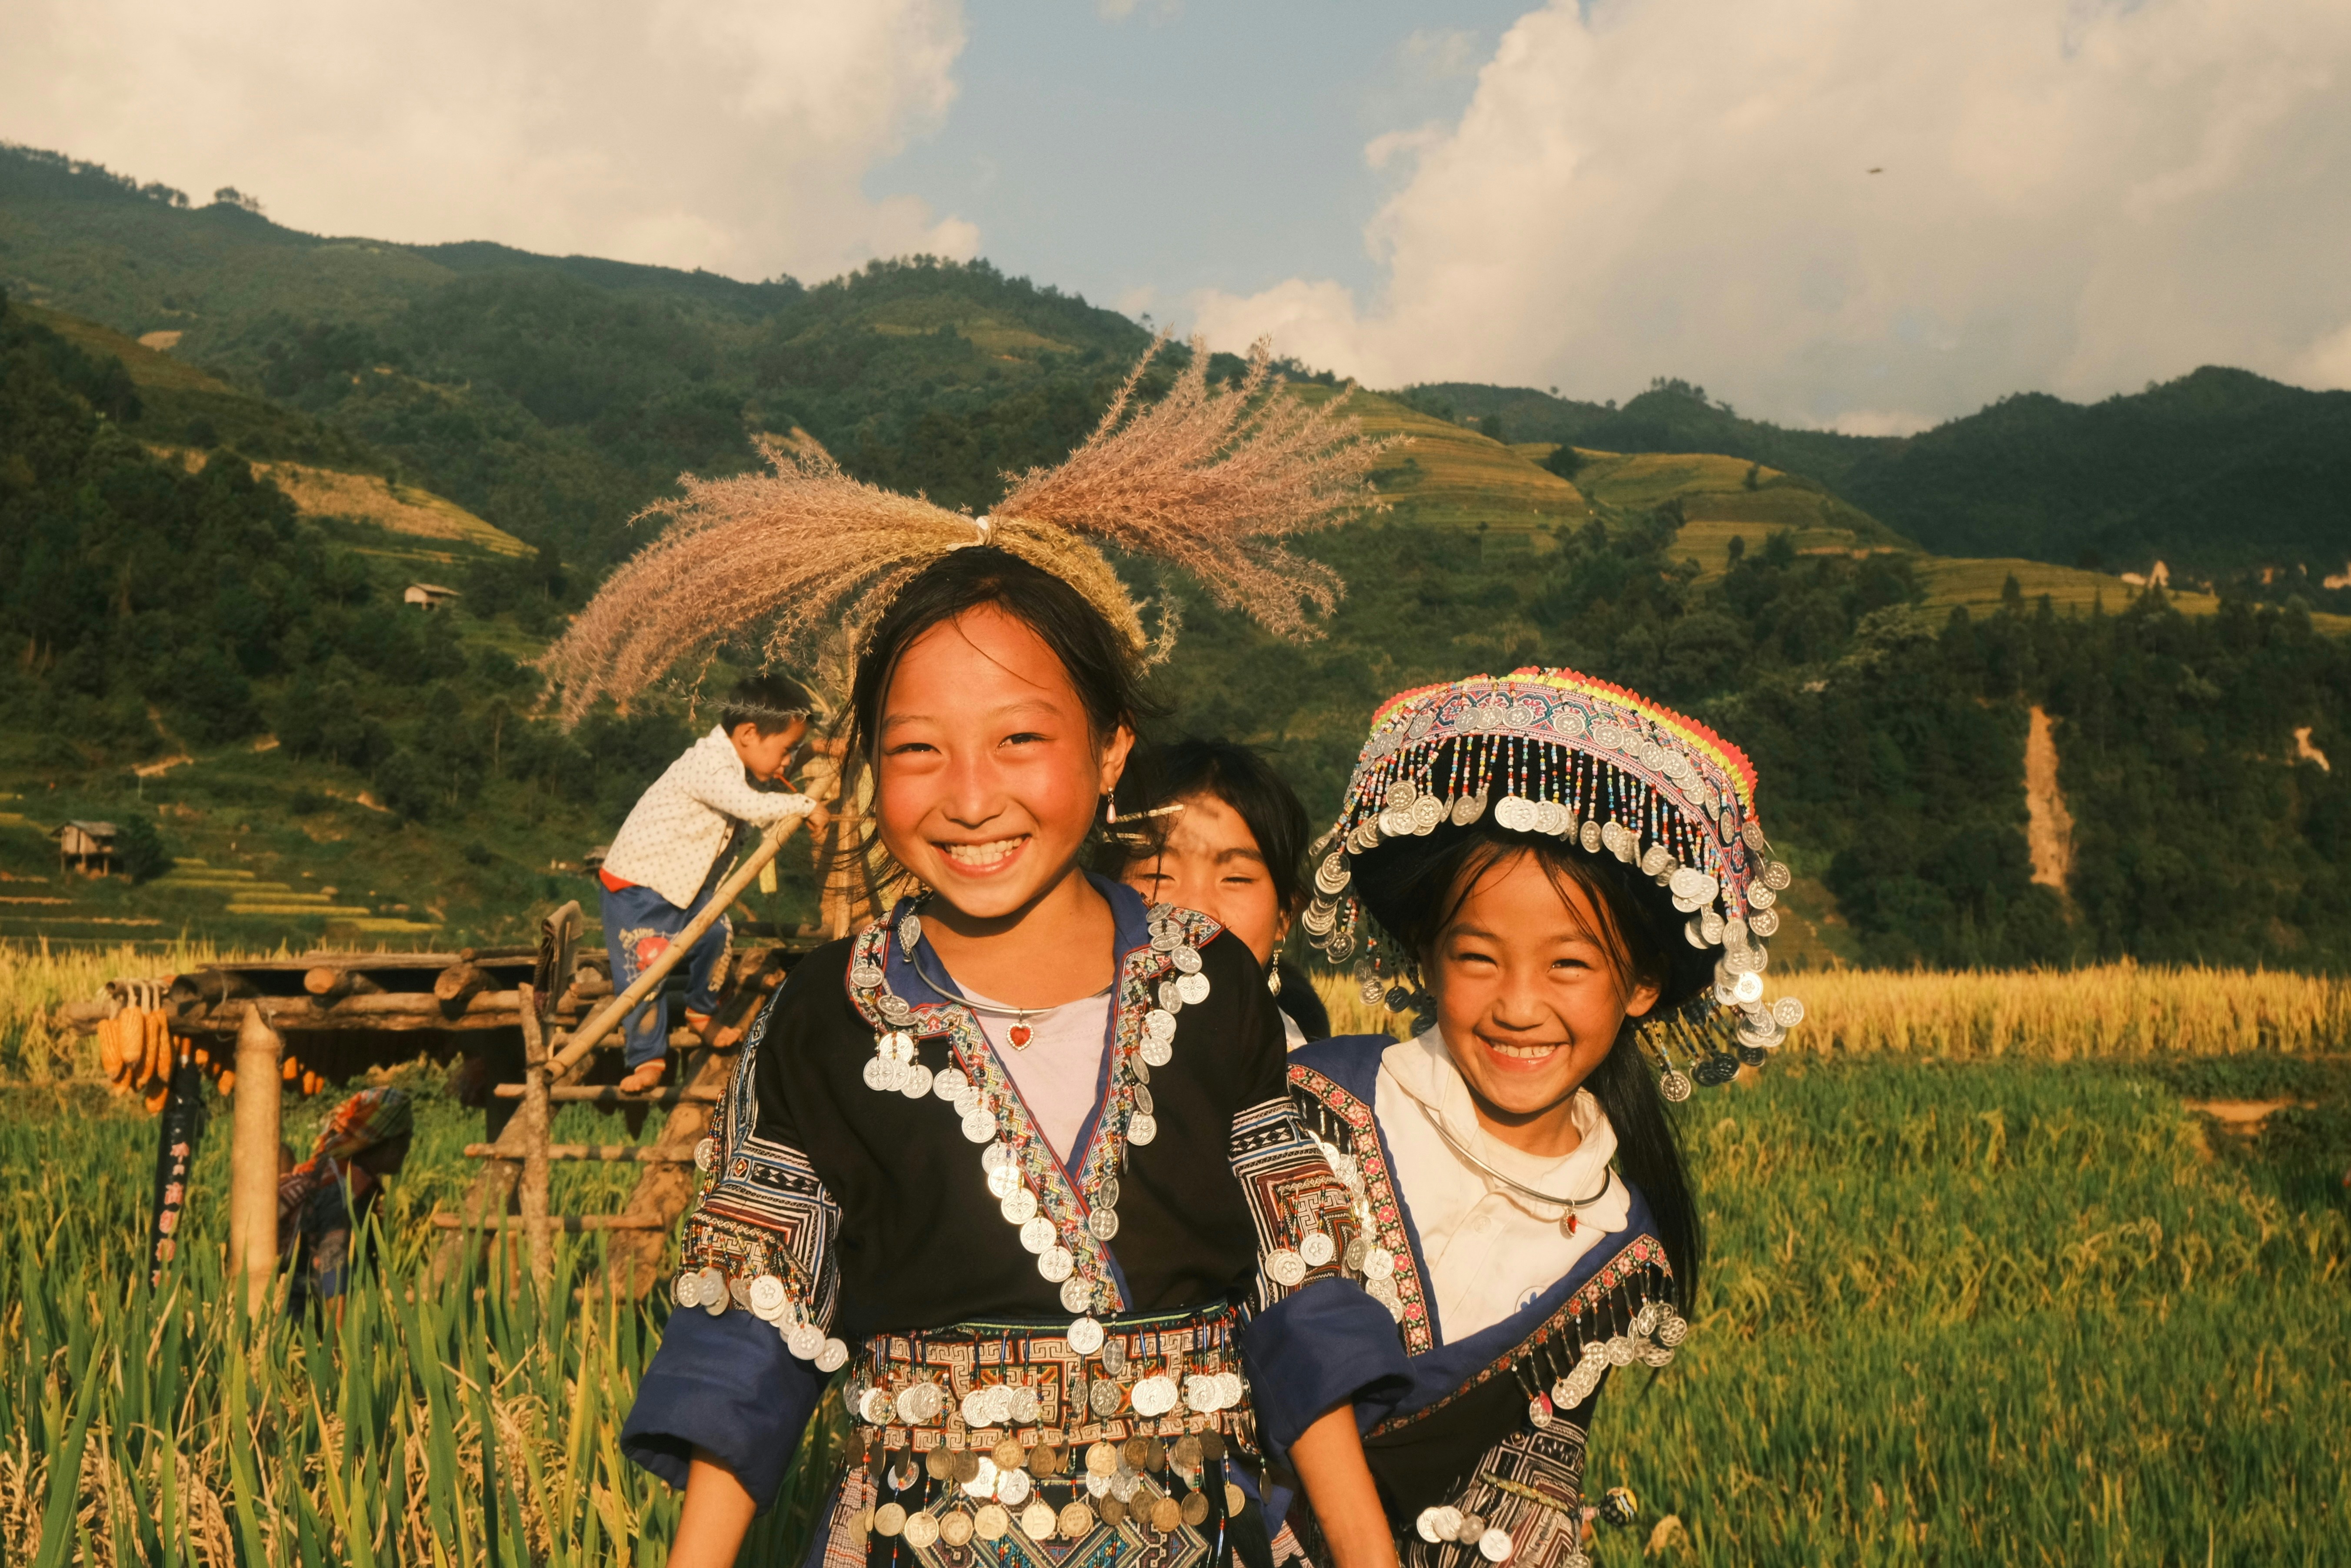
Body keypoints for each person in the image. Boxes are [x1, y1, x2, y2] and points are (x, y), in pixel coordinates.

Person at [543, 340, 1408, 1568]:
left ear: (1111, 754)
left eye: (1017, 739)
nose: (968, 796)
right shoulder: (825, 1015)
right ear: (867, 769)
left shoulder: (1211, 985)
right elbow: (752, 1325)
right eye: (915, 751)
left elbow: (1301, 1297)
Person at [1274, 666, 1805, 1568]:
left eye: (1568, 967)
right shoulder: (1317, 1105)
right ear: (1428, 960)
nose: (1519, 1007)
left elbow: (1531, 1489)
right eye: (1478, 957)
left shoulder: (1622, 1253)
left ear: (1638, 986)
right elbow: (1300, 1336)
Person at [599, 671, 822, 1092]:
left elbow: (768, 773)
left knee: (717, 934)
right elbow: (750, 805)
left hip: (685, 886)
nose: (785, 762)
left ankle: (701, 1011)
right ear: (748, 733)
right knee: (644, 972)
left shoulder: (741, 756)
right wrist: (806, 804)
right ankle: (646, 1059)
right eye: (786, 750)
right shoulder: (708, 765)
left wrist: (812, 748)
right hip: (638, 887)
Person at [1101, 739, 1332, 1046]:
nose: (1196, 911)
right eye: (1159, 874)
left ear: (1285, 914)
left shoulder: (1332, 1083)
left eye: (1235, 878)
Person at [278, 1086, 415, 1321]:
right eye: (406, 1138)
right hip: (306, 1320)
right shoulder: (344, 1187)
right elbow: (334, 1266)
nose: (408, 1147)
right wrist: (340, 1349)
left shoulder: (340, 1176)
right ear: (389, 1142)